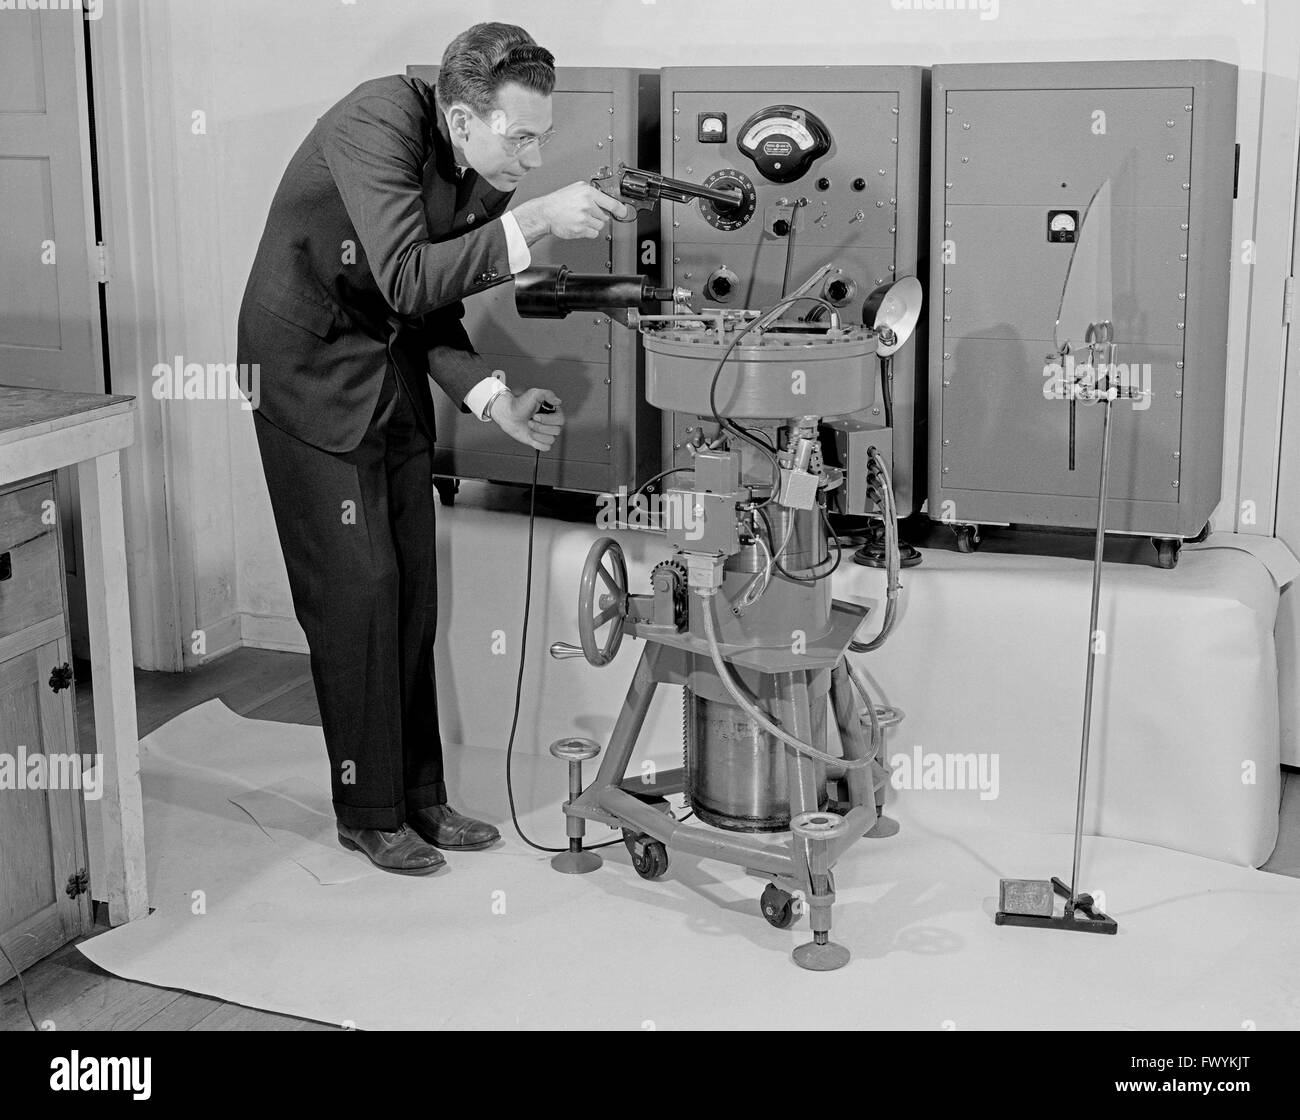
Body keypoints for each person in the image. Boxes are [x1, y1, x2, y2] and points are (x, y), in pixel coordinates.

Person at [237, 22, 629, 874]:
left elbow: (429, 306)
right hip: (303, 374)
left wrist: (496, 401)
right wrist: (535, 223)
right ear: (459, 118)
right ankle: (367, 809)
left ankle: (421, 798)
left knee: (412, 591)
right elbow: (408, 275)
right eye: (518, 136)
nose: (530, 157)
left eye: (540, 138)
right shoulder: (374, 122)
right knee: (358, 594)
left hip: (388, 375)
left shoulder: (478, 170)